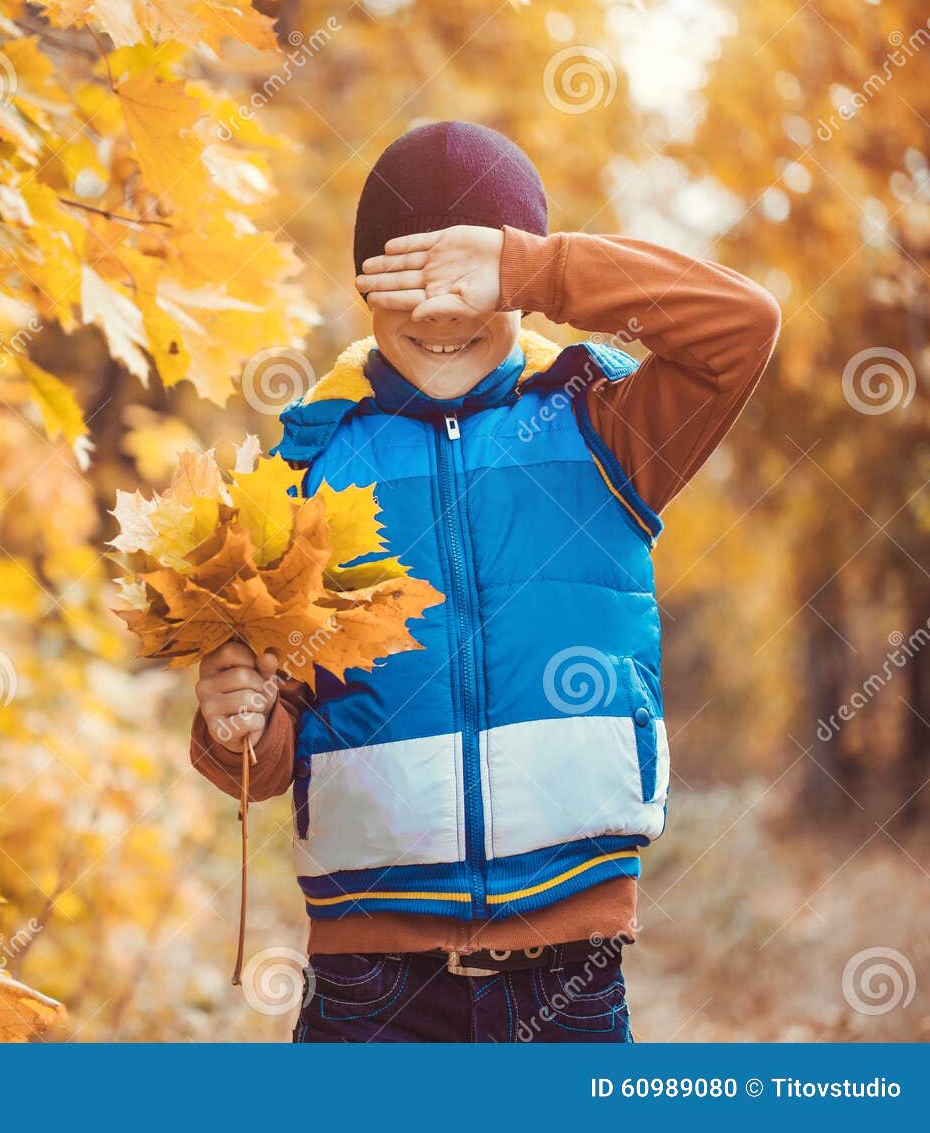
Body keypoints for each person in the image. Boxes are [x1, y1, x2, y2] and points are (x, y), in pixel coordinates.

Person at [191, 121, 781, 1043]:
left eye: (466, 283)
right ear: (365, 286)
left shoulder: (604, 429)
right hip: (367, 988)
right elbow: (273, 752)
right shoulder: (306, 474)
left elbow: (743, 326)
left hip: (568, 977)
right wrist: (240, 723)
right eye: (409, 282)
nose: (439, 313)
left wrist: (534, 268)